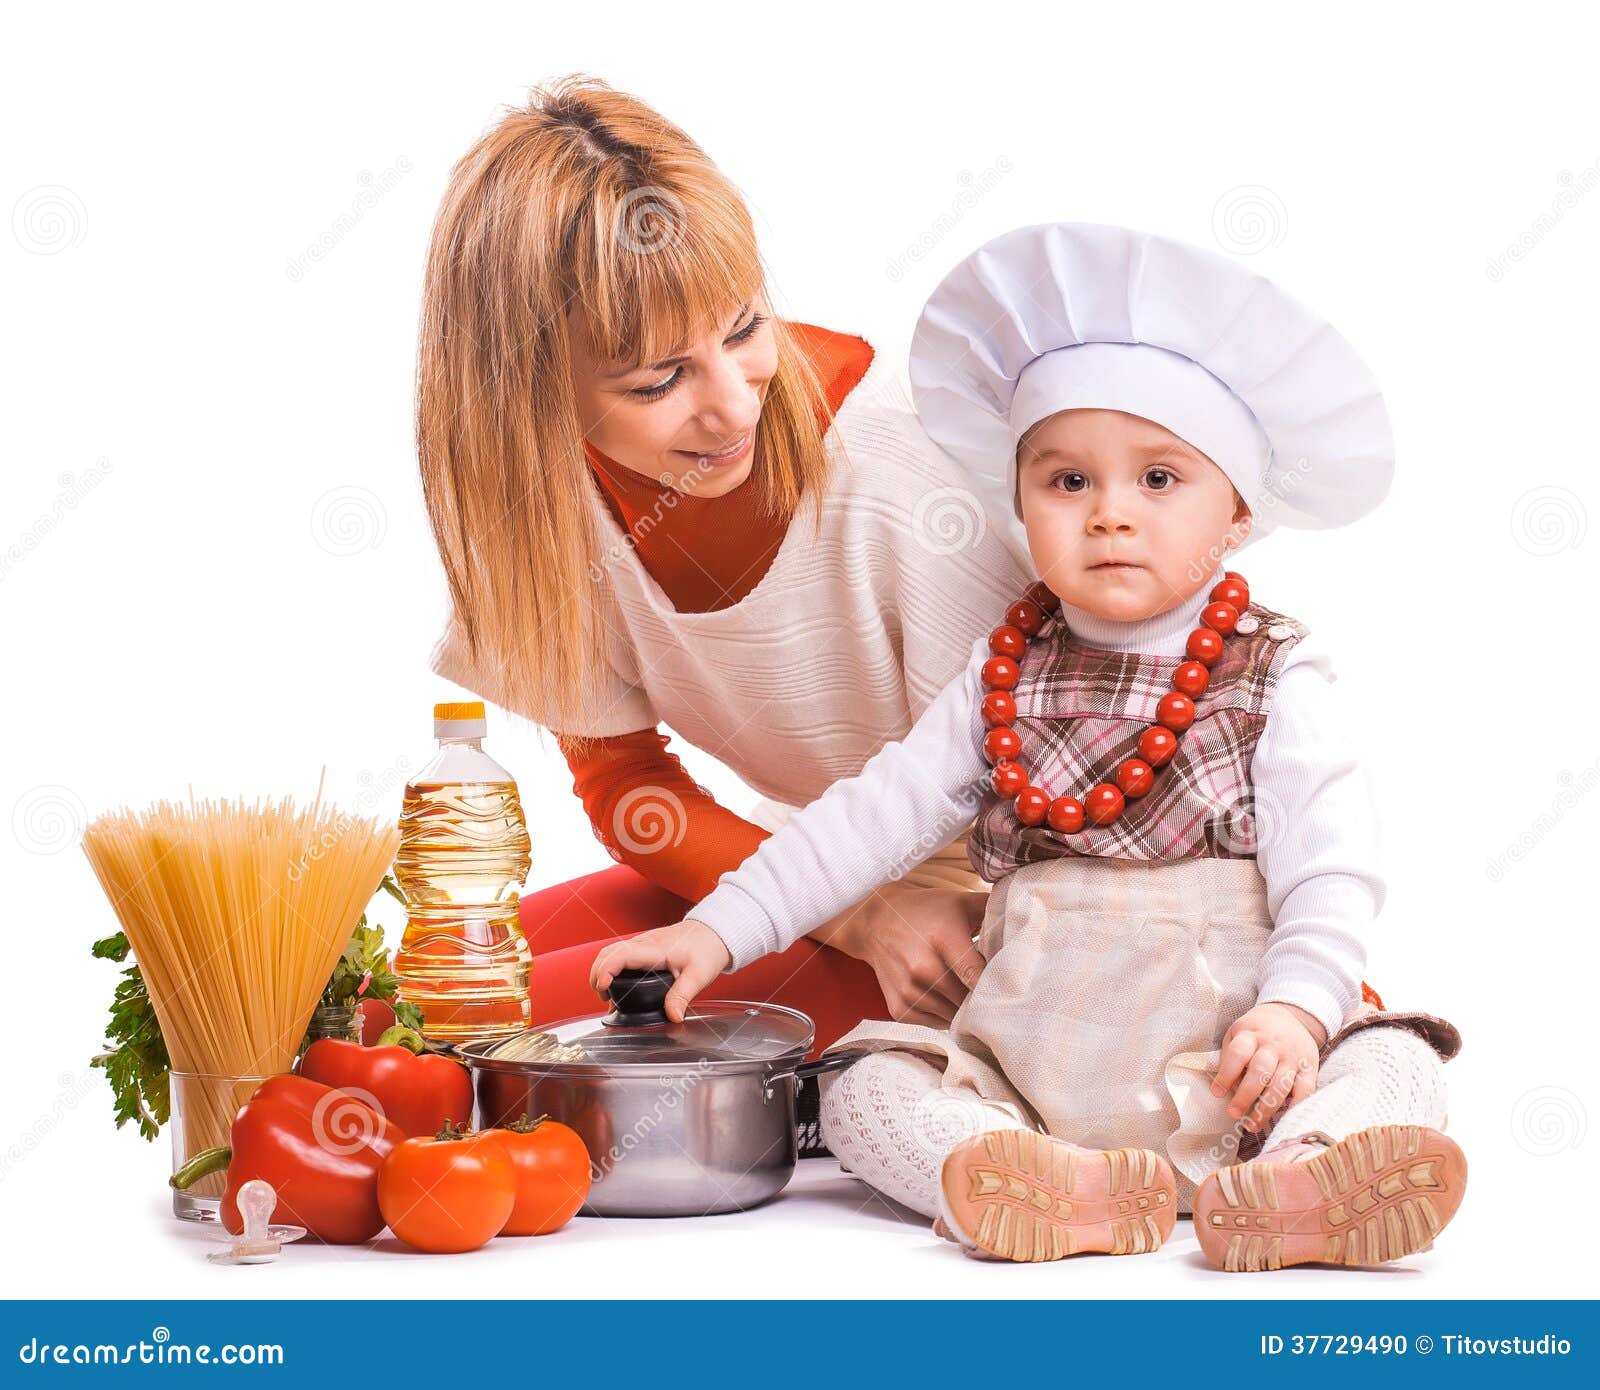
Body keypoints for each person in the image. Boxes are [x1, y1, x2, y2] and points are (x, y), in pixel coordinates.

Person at [591, 222, 1467, 1270]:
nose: (1108, 516)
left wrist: (1292, 1012)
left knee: (1395, 1053)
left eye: (1157, 480)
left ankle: (1303, 1173)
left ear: (1236, 511)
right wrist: (719, 933)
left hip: (1235, 1071)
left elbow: (1331, 870)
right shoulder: (1001, 674)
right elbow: (864, 821)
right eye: (1067, 483)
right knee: (865, 1087)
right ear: (1016, 503)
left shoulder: (1271, 674)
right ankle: (1027, 1179)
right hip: (1034, 1066)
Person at [416, 76, 1031, 1055]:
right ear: (526, 392)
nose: (735, 407)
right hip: (814, 883)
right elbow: (627, 789)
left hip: (988, 909)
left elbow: (1059, 788)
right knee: (415, 996)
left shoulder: (904, 467)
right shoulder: (543, 507)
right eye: (660, 378)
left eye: (745, 328)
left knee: (475, 1036)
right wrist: (853, 910)